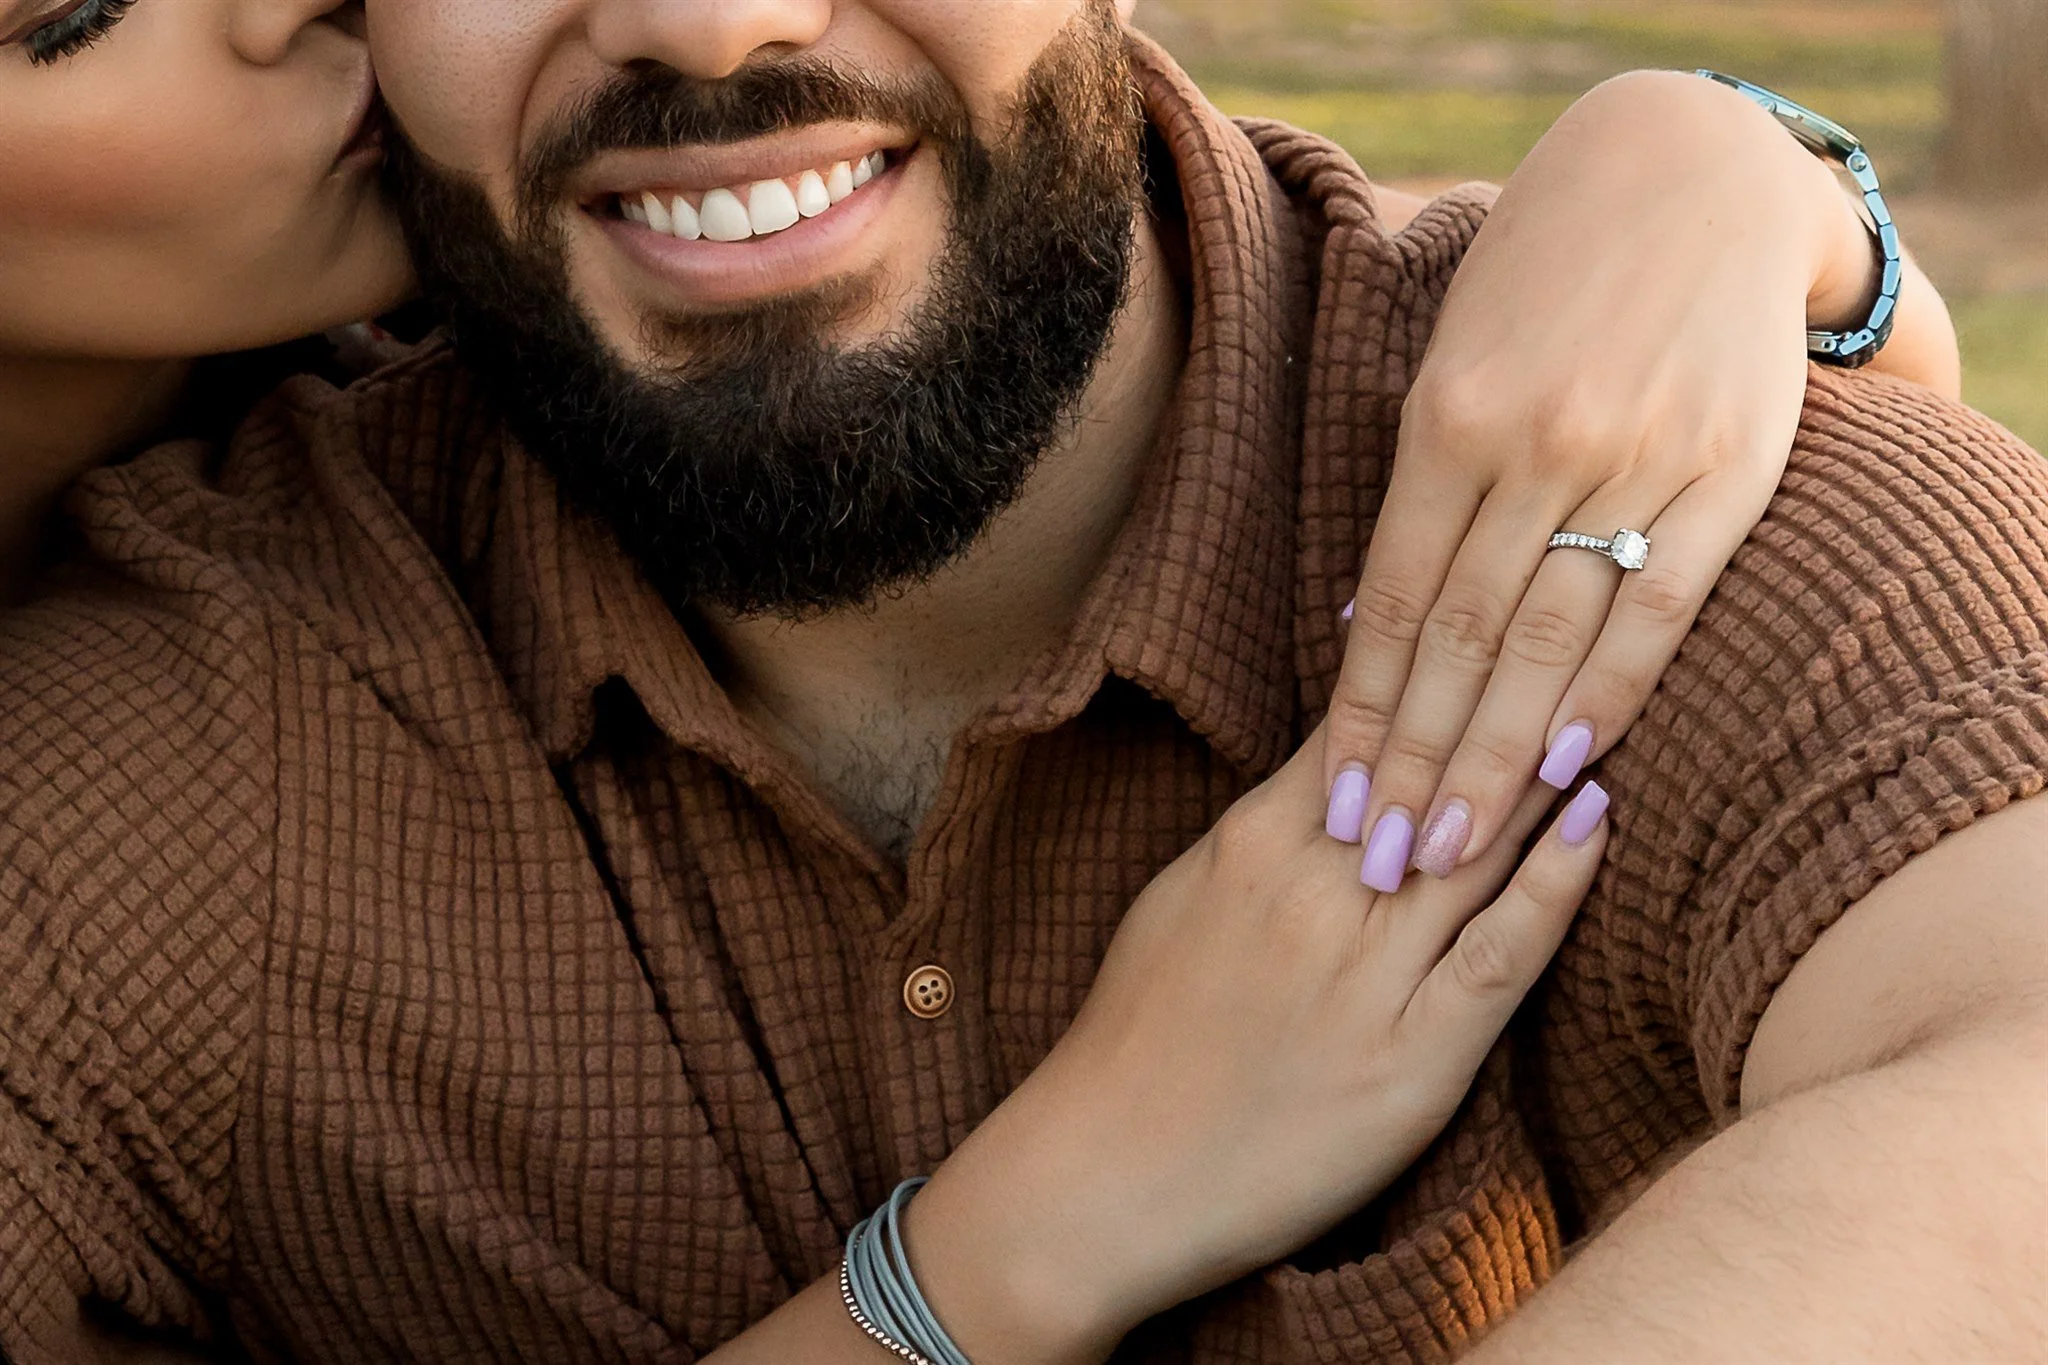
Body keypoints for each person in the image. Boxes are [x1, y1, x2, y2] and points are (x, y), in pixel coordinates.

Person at [0, 4, 2034, 1365]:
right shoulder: (168, 740)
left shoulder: (1637, 476)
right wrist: (976, 1267)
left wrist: (1748, 171)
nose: (709, 21)